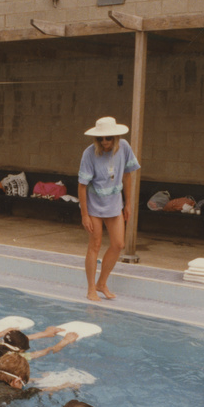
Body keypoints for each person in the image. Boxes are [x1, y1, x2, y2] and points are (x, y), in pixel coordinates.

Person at [77, 116, 140, 301]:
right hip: (94, 205)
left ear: (115, 137)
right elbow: (82, 185)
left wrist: (127, 203)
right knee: (95, 245)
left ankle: (101, 283)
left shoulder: (125, 148)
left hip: (114, 204)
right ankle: (90, 289)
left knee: (119, 244)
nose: (105, 142)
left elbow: (127, 176)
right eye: (101, 139)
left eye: (108, 138)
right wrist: (85, 215)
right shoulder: (89, 153)